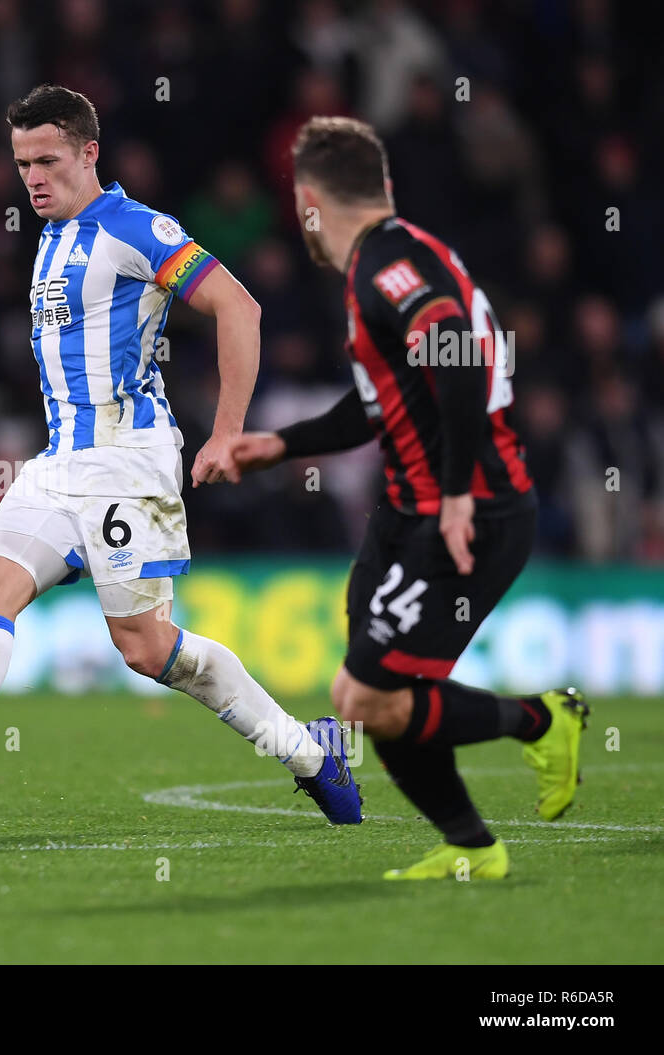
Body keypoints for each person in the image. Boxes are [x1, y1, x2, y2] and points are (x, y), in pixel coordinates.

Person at [0, 85, 362, 825]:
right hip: (59, 463)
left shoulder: (136, 228)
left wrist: (229, 430)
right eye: (21, 164)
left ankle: (308, 755)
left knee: (146, 648)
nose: (33, 178)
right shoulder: (52, 234)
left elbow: (240, 306)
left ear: (88, 152)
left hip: (125, 464)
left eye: (47, 160)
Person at [229, 116, 588, 879]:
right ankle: (471, 847)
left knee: (362, 696)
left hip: (469, 510)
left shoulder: (387, 268)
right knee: (379, 681)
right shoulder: (390, 259)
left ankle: (543, 719)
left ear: (309, 204)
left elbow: (453, 349)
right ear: (384, 186)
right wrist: (279, 445)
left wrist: (456, 494)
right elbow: (373, 407)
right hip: (407, 511)